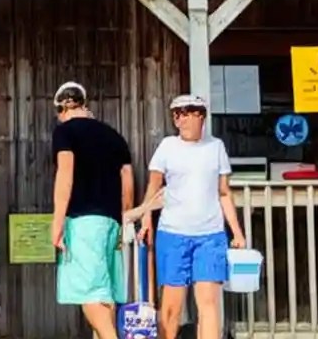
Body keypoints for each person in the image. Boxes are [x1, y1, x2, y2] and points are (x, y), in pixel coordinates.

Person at [137, 94, 247, 339]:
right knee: (171, 307)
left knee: (208, 305)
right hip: (173, 234)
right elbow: (153, 187)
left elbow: (224, 192)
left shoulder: (216, 146)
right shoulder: (167, 146)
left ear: (201, 116)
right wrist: (145, 218)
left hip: (210, 235)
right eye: (177, 113)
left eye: (188, 112)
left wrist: (237, 232)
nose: (182, 118)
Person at [49, 81, 134, 339]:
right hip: (111, 222)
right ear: (84, 105)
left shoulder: (65, 133)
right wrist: (124, 220)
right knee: (105, 293)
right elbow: (127, 181)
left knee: (89, 294)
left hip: (83, 221)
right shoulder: (113, 135)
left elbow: (66, 174)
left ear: (60, 109)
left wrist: (57, 222)